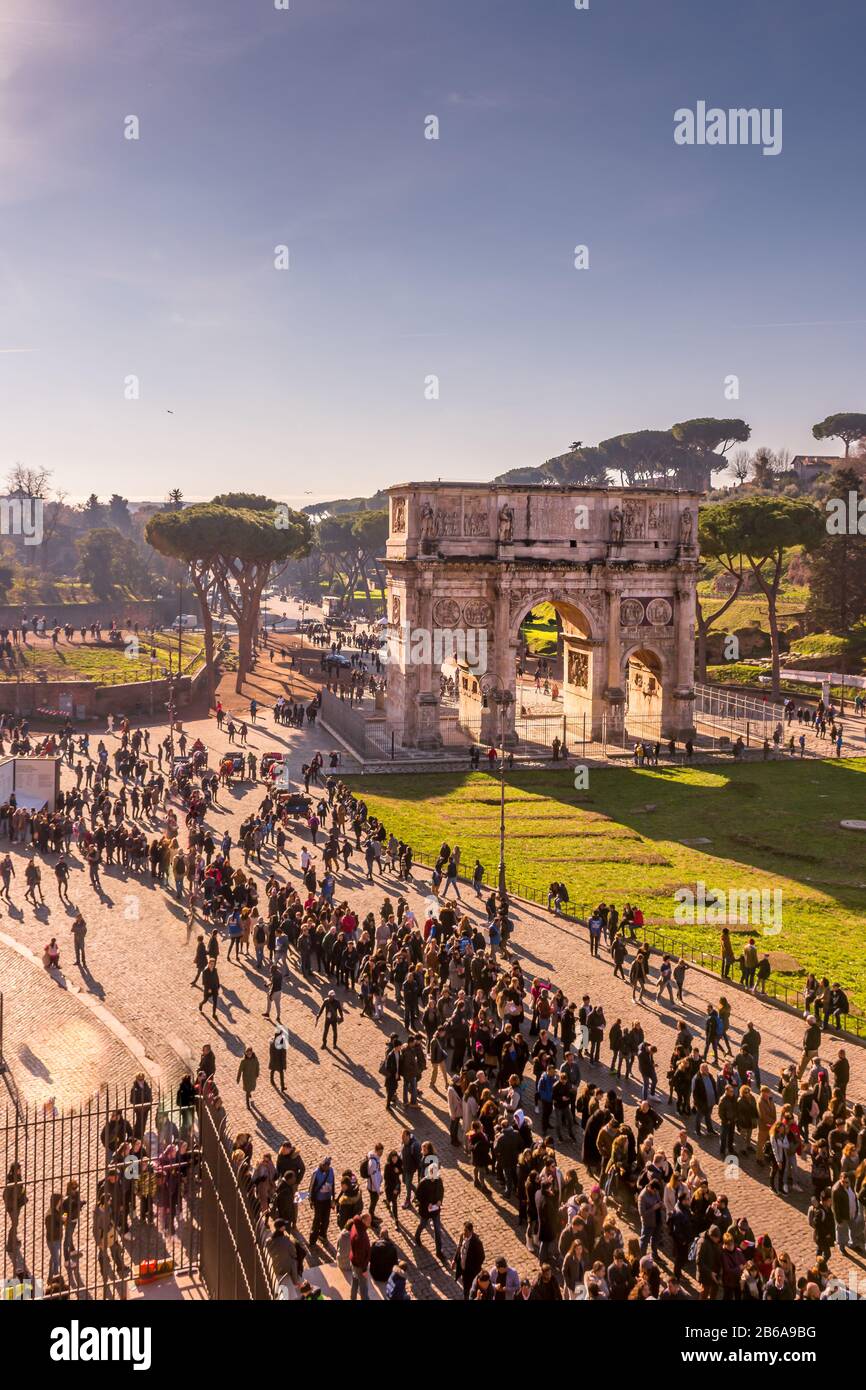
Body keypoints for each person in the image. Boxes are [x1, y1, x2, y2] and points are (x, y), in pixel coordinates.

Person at [236, 1046, 260, 1111]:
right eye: (248, 1053)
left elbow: (257, 1066)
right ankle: (248, 1104)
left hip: (252, 1077)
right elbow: (240, 1070)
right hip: (246, 1079)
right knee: (247, 1090)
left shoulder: (255, 1060)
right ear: (246, 1053)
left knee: (251, 1088)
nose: (249, 1055)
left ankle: (249, 1094)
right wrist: (238, 1079)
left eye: (250, 1053)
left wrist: (257, 1074)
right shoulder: (243, 1061)